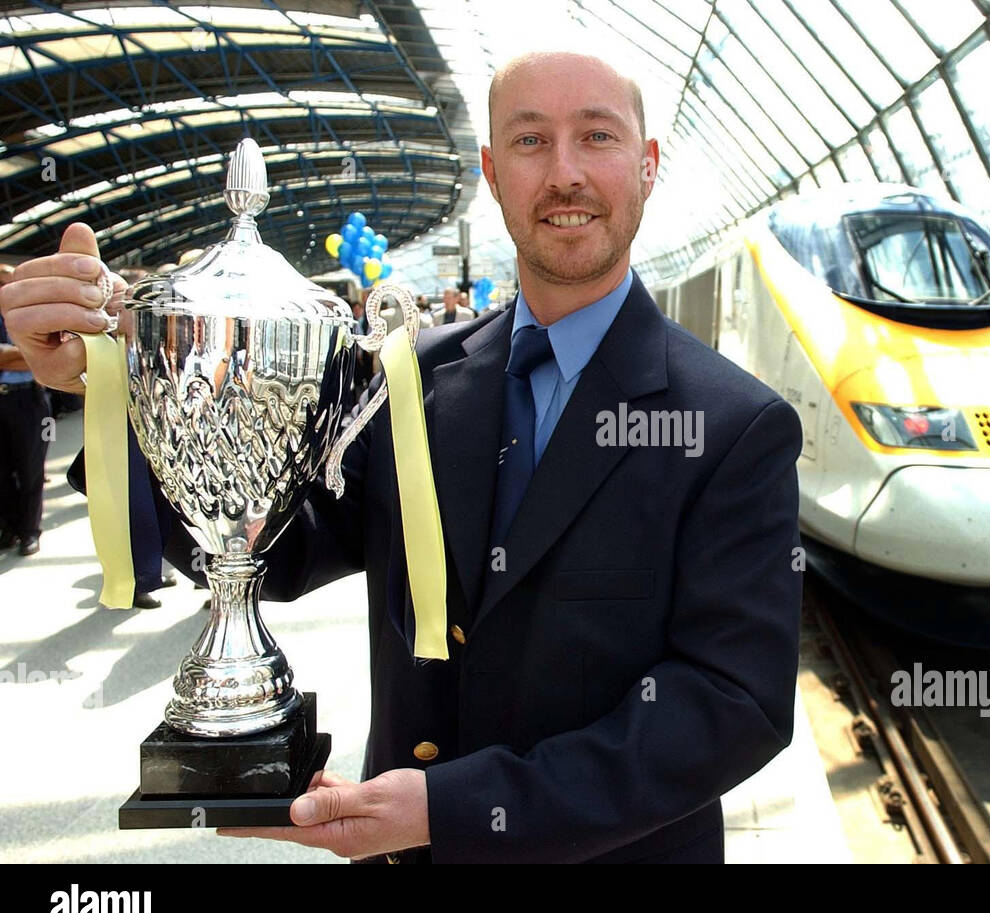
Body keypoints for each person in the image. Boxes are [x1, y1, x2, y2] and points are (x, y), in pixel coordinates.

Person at [0, 50, 803, 864]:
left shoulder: (733, 425)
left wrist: (455, 807)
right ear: (491, 171)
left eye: (596, 136)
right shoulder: (407, 379)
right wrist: (110, 394)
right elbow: (277, 549)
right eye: (530, 142)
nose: (565, 174)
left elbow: (734, 703)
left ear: (646, 164)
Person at [0, 264, 50, 557]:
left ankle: (30, 532)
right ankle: (10, 528)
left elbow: (45, 357)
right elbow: (30, 356)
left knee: (31, 468)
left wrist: (17, 357)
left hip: (29, 400)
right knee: (2, 471)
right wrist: (26, 355)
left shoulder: (34, 318)